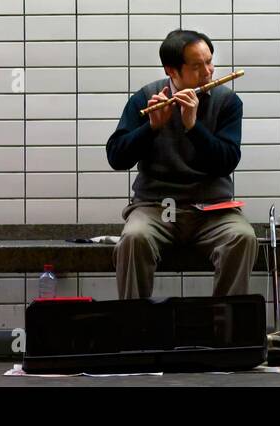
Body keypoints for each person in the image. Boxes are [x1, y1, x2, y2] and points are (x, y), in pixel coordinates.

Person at [105, 29, 257, 299]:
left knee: (242, 237)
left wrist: (193, 126)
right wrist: (150, 128)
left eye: (210, 62)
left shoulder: (227, 102)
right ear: (172, 71)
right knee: (134, 239)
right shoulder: (145, 98)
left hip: (212, 211)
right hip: (156, 208)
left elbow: (227, 161)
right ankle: (135, 333)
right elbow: (117, 157)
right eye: (197, 66)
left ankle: (227, 332)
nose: (208, 72)